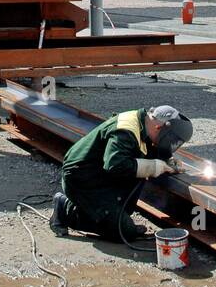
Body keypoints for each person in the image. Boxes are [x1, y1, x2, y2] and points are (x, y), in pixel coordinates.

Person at [50, 104, 193, 244]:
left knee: (127, 203)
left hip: (98, 173)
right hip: (81, 178)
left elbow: (146, 149)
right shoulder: (126, 131)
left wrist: (167, 161)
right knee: (125, 231)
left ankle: (114, 217)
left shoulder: (144, 124)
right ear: (159, 127)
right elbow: (115, 164)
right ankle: (64, 209)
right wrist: (155, 166)